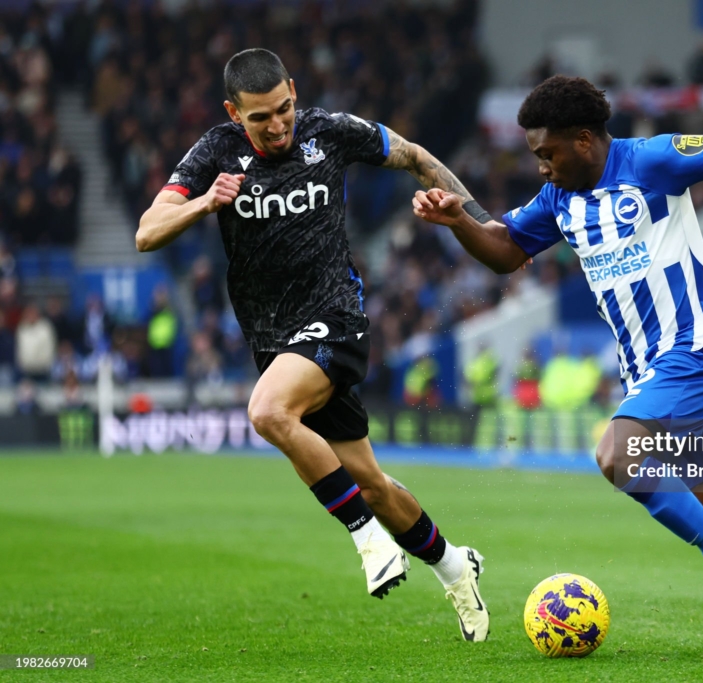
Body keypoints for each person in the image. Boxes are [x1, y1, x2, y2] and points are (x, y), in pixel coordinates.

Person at [413, 75, 703, 656]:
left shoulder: (650, 160)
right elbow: (505, 251)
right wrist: (458, 220)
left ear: (584, 140)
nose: (541, 167)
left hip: (692, 352)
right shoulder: (558, 200)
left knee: (616, 452)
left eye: (547, 153)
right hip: (647, 373)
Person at [135, 49, 488, 641]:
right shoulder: (215, 153)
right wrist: (204, 202)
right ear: (233, 112)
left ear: (295, 92)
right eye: (260, 118)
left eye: (284, 109)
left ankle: (367, 538)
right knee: (373, 484)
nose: (277, 126)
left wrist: (478, 218)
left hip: (336, 320)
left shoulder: (332, 131)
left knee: (267, 412)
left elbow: (415, 156)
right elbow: (147, 231)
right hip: (276, 343)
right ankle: (456, 565)